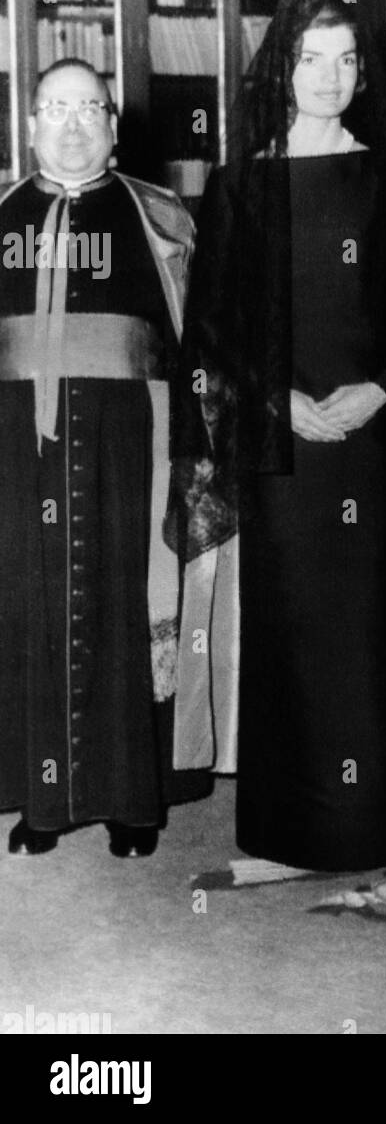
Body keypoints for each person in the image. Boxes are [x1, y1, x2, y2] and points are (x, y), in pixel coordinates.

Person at [172, 0, 386, 872]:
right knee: (294, 622)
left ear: (364, 72)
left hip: (374, 439)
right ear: (282, 70)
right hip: (281, 441)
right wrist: (276, 401)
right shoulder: (239, 184)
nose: (330, 77)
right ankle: (293, 833)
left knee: (372, 622)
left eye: (346, 59)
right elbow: (213, 325)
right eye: (311, 59)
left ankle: (379, 828)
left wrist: (380, 392)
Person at [0, 58, 210, 858]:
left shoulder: (162, 219)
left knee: (127, 605)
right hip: (17, 446)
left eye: (90, 108)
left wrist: (196, 447)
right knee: (32, 606)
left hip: (132, 441)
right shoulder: (2, 215)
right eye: (56, 108)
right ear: (30, 125)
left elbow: (197, 339)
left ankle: (132, 801)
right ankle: (42, 801)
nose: (73, 124)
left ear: (113, 126)